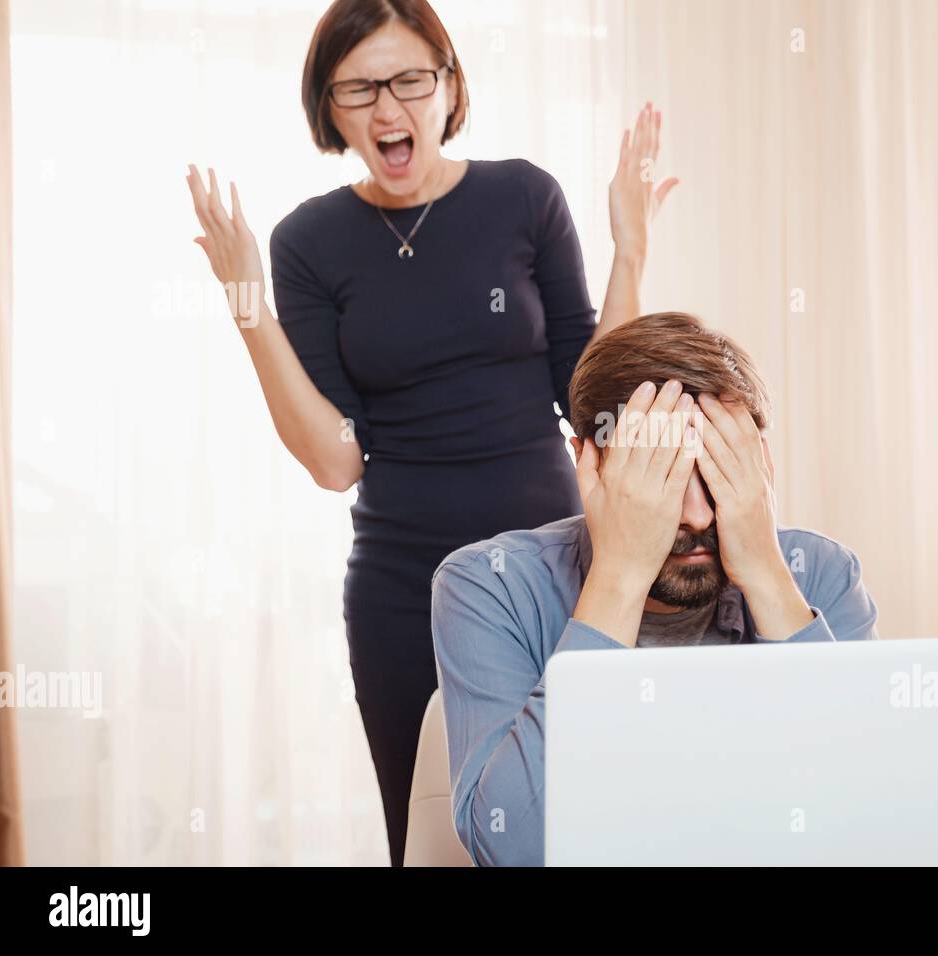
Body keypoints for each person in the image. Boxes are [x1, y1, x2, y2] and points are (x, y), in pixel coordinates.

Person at [183, 0, 677, 865]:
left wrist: (629, 253)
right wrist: (246, 302)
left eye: (409, 79)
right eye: (358, 88)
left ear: (449, 86)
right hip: (402, 588)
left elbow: (595, 406)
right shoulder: (309, 241)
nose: (388, 108)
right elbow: (336, 461)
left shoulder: (524, 197)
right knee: (432, 832)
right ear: (328, 108)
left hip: (552, 569)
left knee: (576, 816)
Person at [431, 311, 880, 866]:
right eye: (659, 473)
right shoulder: (489, 586)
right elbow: (515, 852)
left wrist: (765, 571)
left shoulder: (819, 573)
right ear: (588, 463)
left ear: (760, 465)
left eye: (717, 472)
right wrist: (619, 574)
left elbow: (865, 825)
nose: (694, 514)